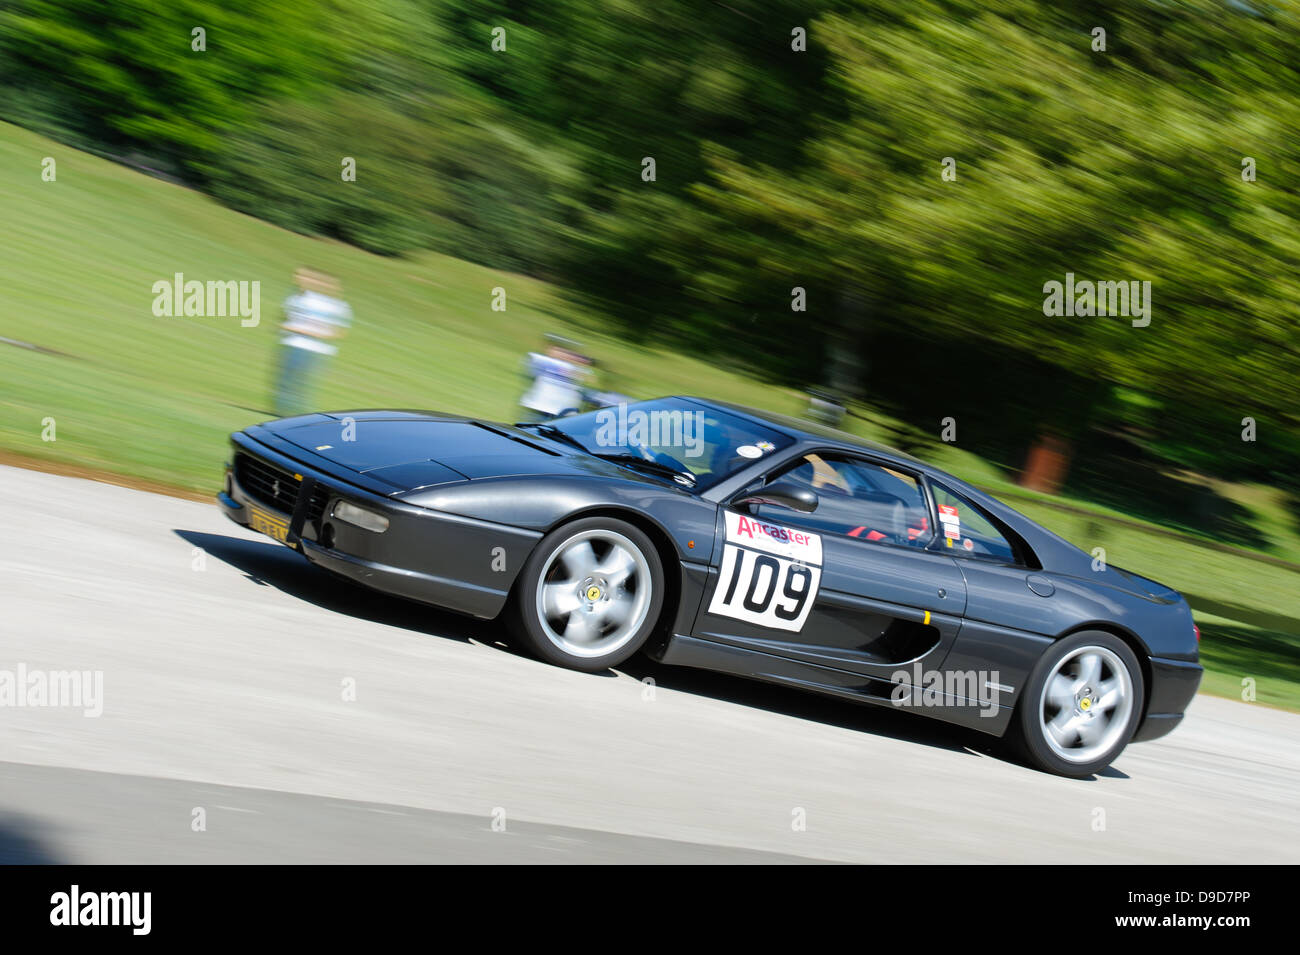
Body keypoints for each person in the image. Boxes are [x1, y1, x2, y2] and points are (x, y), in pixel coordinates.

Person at [273, 268, 352, 417]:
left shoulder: (337, 306)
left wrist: (304, 331)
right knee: (284, 380)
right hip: (291, 343)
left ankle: (297, 414)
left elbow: (339, 332)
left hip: (313, 348)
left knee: (300, 382)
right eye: (298, 276)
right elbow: (285, 317)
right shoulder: (295, 298)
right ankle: (281, 411)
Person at [518, 338, 589, 421]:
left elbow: (585, 378)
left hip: (560, 413)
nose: (564, 354)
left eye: (566, 352)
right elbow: (533, 361)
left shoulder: (576, 369)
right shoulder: (544, 361)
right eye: (559, 351)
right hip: (538, 408)